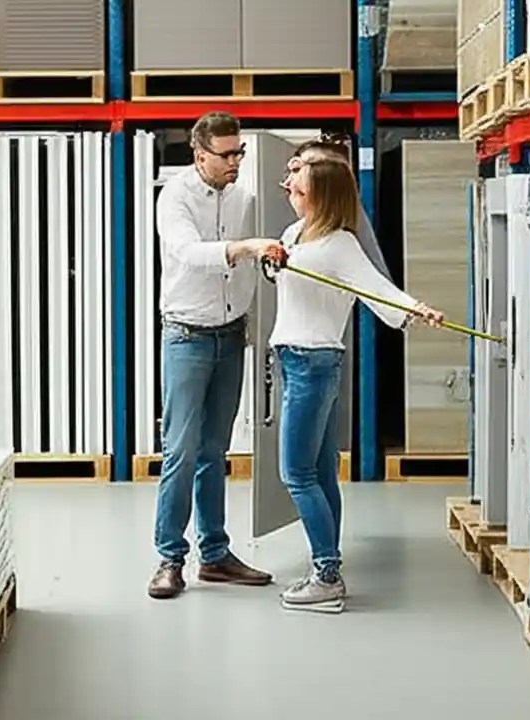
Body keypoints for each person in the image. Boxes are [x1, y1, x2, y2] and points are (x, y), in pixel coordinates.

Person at [267, 153, 443, 613]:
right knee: (321, 469)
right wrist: (273, 262)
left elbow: (376, 288)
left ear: (321, 193)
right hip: (293, 359)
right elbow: (289, 277)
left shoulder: (340, 243)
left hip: (313, 363)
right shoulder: (295, 234)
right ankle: (327, 564)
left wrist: (414, 309)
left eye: (297, 183)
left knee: (296, 473)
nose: (288, 186)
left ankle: (327, 576)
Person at [147, 111, 281, 600]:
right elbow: (188, 253)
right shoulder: (175, 197)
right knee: (180, 450)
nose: (235, 162)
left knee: (213, 452)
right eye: (226, 154)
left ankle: (216, 555)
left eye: (239, 152)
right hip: (187, 336)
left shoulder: (246, 195)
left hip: (231, 336)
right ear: (199, 154)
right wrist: (246, 247)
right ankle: (168, 558)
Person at [286, 134, 390, 277]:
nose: (289, 182)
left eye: (298, 170)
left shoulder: (342, 242)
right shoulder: (292, 233)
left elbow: (378, 285)